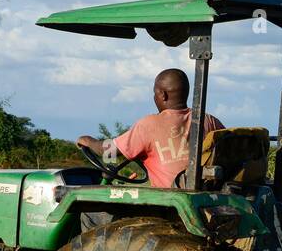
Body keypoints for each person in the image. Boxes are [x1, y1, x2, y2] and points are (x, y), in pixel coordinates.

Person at [77, 68, 224, 188]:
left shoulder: (149, 125)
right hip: (204, 194)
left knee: (89, 215)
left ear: (162, 95)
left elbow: (109, 153)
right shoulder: (208, 120)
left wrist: (88, 141)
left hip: (169, 201)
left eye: (155, 93)